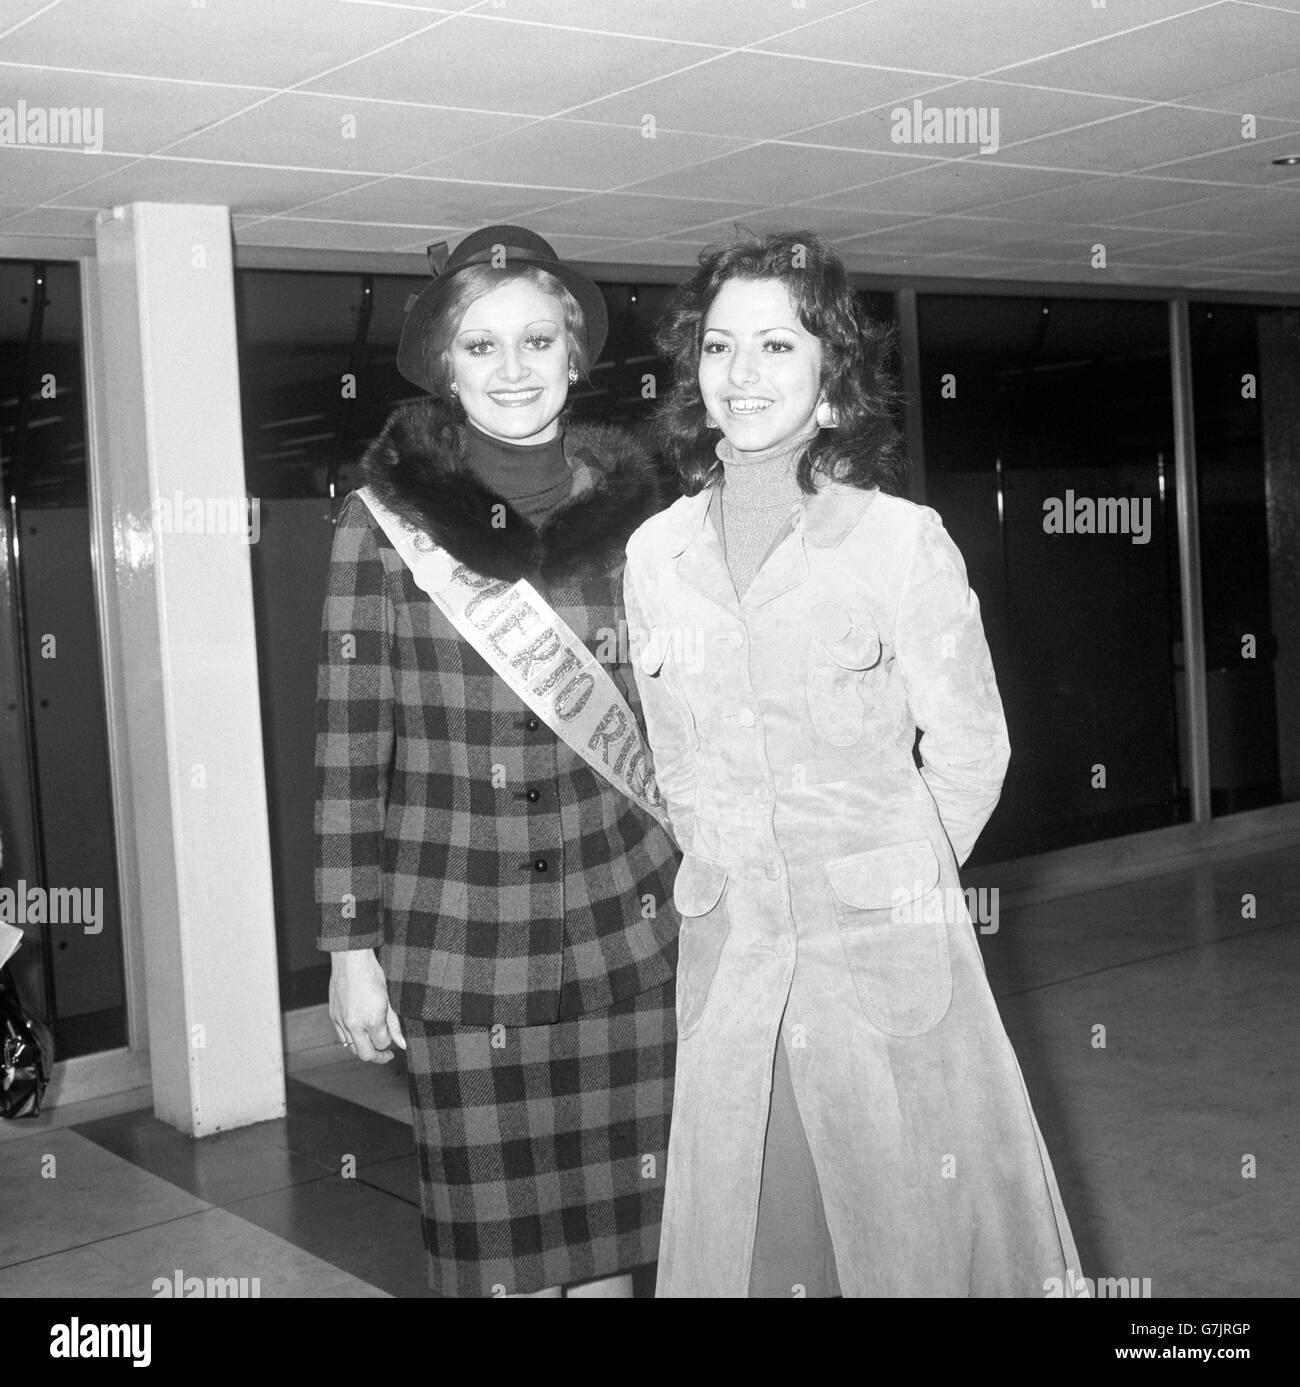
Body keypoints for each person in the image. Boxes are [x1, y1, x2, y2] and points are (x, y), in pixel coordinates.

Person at [623, 229, 1084, 1298]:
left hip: (882, 959)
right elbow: (675, 755)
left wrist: (895, 875)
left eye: (777, 347)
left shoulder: (899, 540)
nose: (743, 375)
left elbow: (972, 746)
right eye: (720, 347)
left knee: (902, 1237)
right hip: (734, 950)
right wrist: (734, 856)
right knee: (757, 1236)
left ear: (831, 376)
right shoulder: (654, 554)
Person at [314, 225, 680, 1298]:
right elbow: (348, 741)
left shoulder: (644, 522)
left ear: (575, 354)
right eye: (481, 346)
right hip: (461, 941)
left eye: (536, 341)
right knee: (502, 1266)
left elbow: (681, 718)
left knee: (614, 1243)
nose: (512, 369)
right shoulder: (382, 526)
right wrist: (349, 943)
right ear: (443, 364)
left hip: (626, 925)